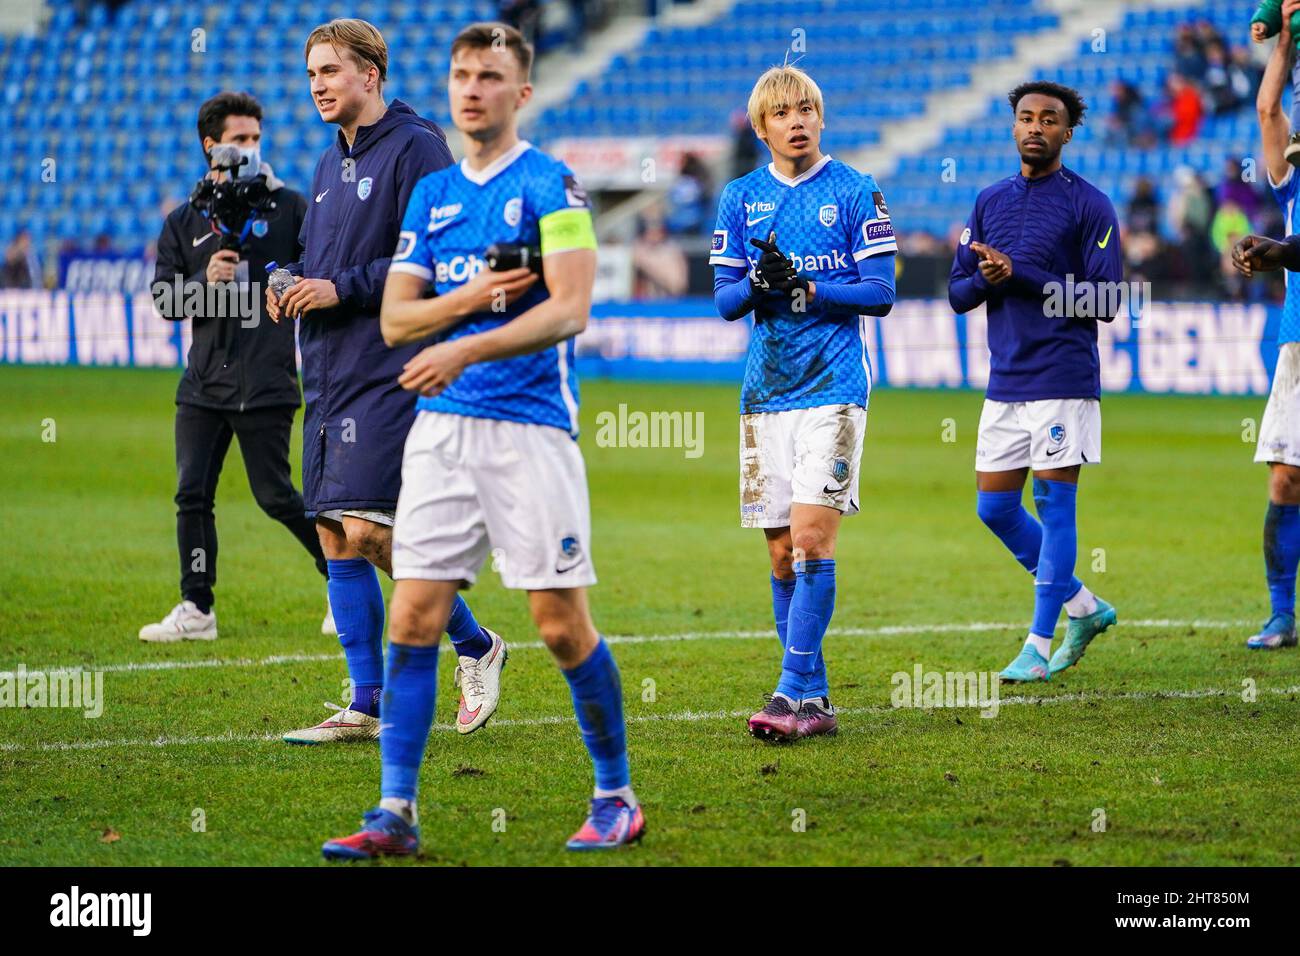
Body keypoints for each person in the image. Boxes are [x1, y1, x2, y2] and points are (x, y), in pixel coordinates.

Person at [321, 22, 643, 858]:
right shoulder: (433, 197)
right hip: (441, 435)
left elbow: (569, 309)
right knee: (415, 616)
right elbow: (396, 317)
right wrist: (467, 307)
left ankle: (615, 795)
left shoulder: (553, 187)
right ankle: (396, 811)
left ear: (520, 92)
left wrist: (460, 343)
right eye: (462, 74)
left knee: (560, 623)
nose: (472, 89)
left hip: (530, 431)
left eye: (490, 77)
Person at [266, 19, 504, 744]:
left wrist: (340, 288)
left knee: (372, 529)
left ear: (371, 74)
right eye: (311, 75)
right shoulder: (325, 163)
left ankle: (474, 643)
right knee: (336, 533)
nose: (317, 86)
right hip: (330, 370)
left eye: (330, 72)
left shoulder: (417, 147)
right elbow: (316, 256)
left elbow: (438, 255)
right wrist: (288, 281)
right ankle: (364, 704)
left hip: (390, 366)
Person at [709, 65, 896, 742]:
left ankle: (789, 692)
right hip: (765, 391)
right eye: (783, 113)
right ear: (761, 128)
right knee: (783, 553)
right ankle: (814, 703)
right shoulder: (740, 197)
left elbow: (879, 292)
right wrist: (762, 282)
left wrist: (813, 293)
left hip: (835, 385)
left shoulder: (853, 190)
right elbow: (727, 302)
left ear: (820, 118)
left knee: (815, 539)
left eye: (806, 109)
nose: (797, 121)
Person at [947, 81, 1120, 683]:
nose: (1036, 127)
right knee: (993, 508)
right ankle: (1084, 607)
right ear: (1013, 127)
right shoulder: (989, 200)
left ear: (1068, 132)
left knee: (1052, 503)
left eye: (1050, 119)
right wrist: (990, 279)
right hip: (1006, 380)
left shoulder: (1090, 204)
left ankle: (1038, 645)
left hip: (1064, 377)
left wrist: (1019, 275)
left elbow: (1106, 299)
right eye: (1026, 117)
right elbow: (957, 292)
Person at [141, 91, 328, 644]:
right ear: (211, 145)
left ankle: (339, 577)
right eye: (238, 139)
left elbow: (315, 272)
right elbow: (166, 300)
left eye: (255, 138)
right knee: (191, 495)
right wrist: (206, 285)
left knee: (276, 497)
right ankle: (197, 608)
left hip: (267, 382)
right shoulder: (184, 220)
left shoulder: (290, 207)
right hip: (202, 384)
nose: (250, 148)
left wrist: (280, 279)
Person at [1230, 8, 1300, 649]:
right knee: (1285, 477)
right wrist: (1283, 41)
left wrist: (1277, 251)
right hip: (1298, 343)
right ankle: (1282, 614)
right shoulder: (1295, 183)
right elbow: (1267, 110)